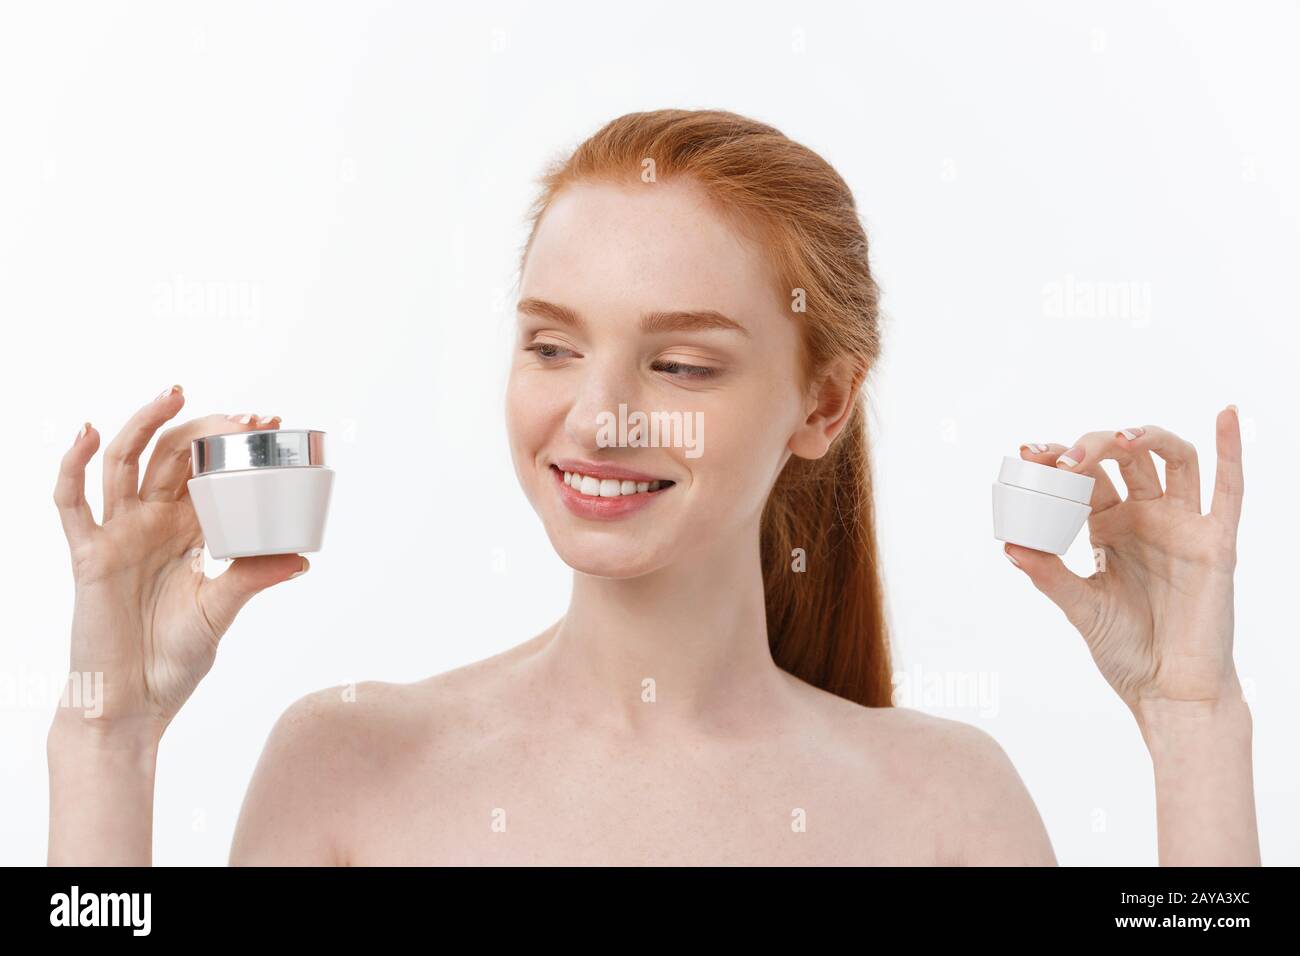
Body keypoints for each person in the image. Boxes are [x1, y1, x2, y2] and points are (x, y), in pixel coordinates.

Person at [47, 110, 1258, 865]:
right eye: (552, 345)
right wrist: (110, 733)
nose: (599, 412)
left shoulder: (946, 801)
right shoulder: (345, 761)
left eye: (679, 361)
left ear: (821, 404)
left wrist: (1192, 722)